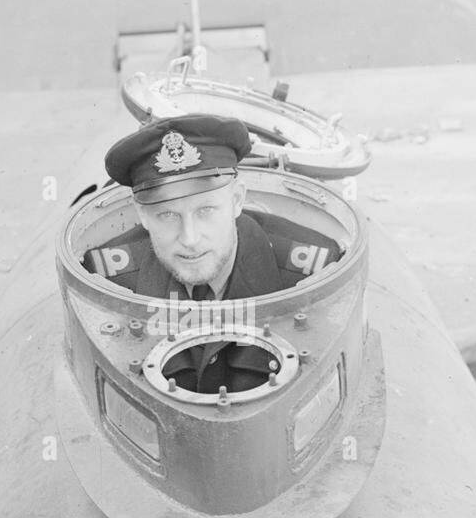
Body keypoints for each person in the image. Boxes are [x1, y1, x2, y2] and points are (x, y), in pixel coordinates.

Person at [81, 114, 342, 393]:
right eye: (167, 214)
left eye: (205, 211)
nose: (190, 239)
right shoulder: (112, 280)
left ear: (237, 200)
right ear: (142, 215)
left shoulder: (308, 273)